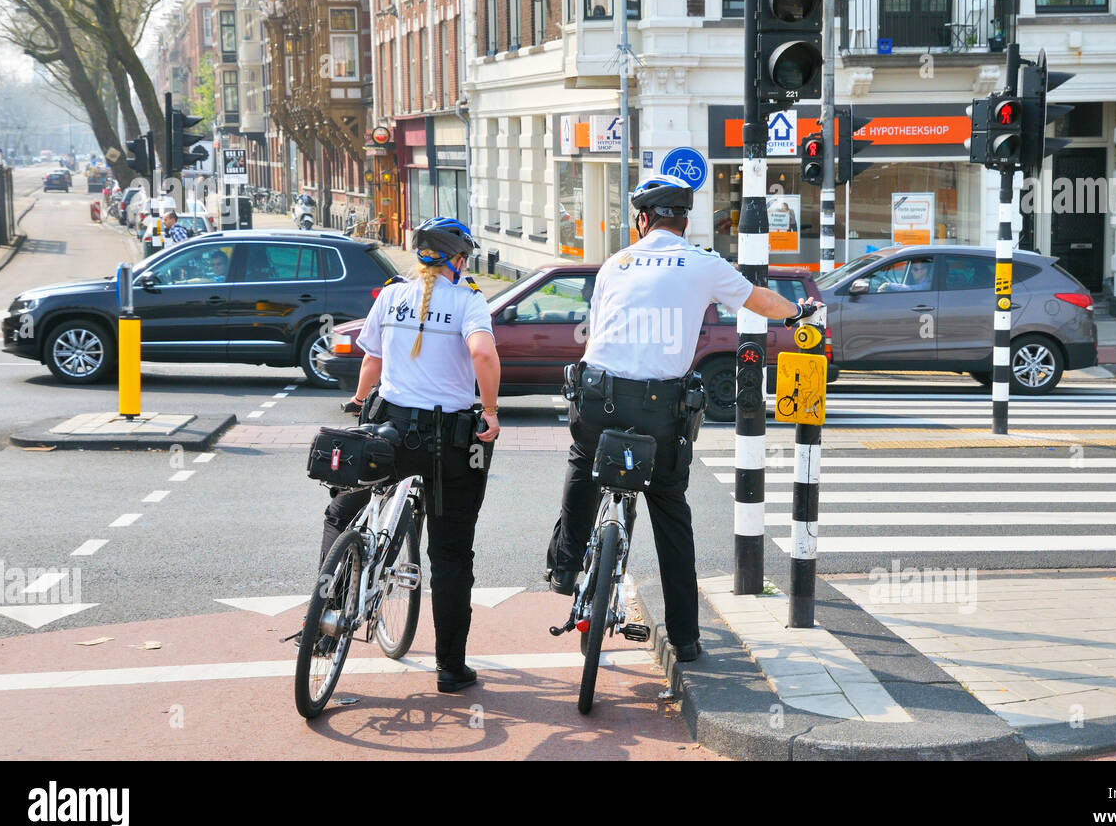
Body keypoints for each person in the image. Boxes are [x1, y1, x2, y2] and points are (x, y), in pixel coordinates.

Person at [545, 174, 823, 663]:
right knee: (670, 509)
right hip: (660, 411)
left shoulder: (616, 263)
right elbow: (760, 301)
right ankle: (686, 638)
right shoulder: (703, 263)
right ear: (685, 221)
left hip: (598, 398)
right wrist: (799, 312)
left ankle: (565, 567)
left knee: (582, 461)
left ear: (643, 220)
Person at [319, 217, 501, 693]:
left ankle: (328, 615)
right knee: (451, 553)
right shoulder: (468, 301)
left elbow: (371, 361)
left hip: (391, 432)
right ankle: (450, 668)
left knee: (342, 510)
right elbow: (482, 354)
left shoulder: (392, 296)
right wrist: (491, 410)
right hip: (449, 442)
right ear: (456, 261)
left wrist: (360, 403)